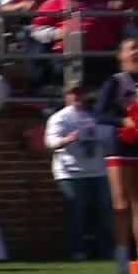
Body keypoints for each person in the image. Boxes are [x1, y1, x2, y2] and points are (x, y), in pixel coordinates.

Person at [93, 37, 138, 274]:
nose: (136, 52)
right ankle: (120, 257)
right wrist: (122, 121)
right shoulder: (115, 82)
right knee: (121, 204)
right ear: (121, 55)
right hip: (118, 146)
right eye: (131, 48)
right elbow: (99, 113)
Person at [45, 83, 112, 260]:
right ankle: (77, 251)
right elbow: (50, 143)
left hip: (97, 171)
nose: (76, 97)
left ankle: (106, 250)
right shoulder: (59, 118)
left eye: (79, 93)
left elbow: (107, 137)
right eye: (72, 93)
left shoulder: (94, 116)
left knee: (105, 211)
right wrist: (67, 139)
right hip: (71, 172)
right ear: (66, 96)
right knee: (76, 212)